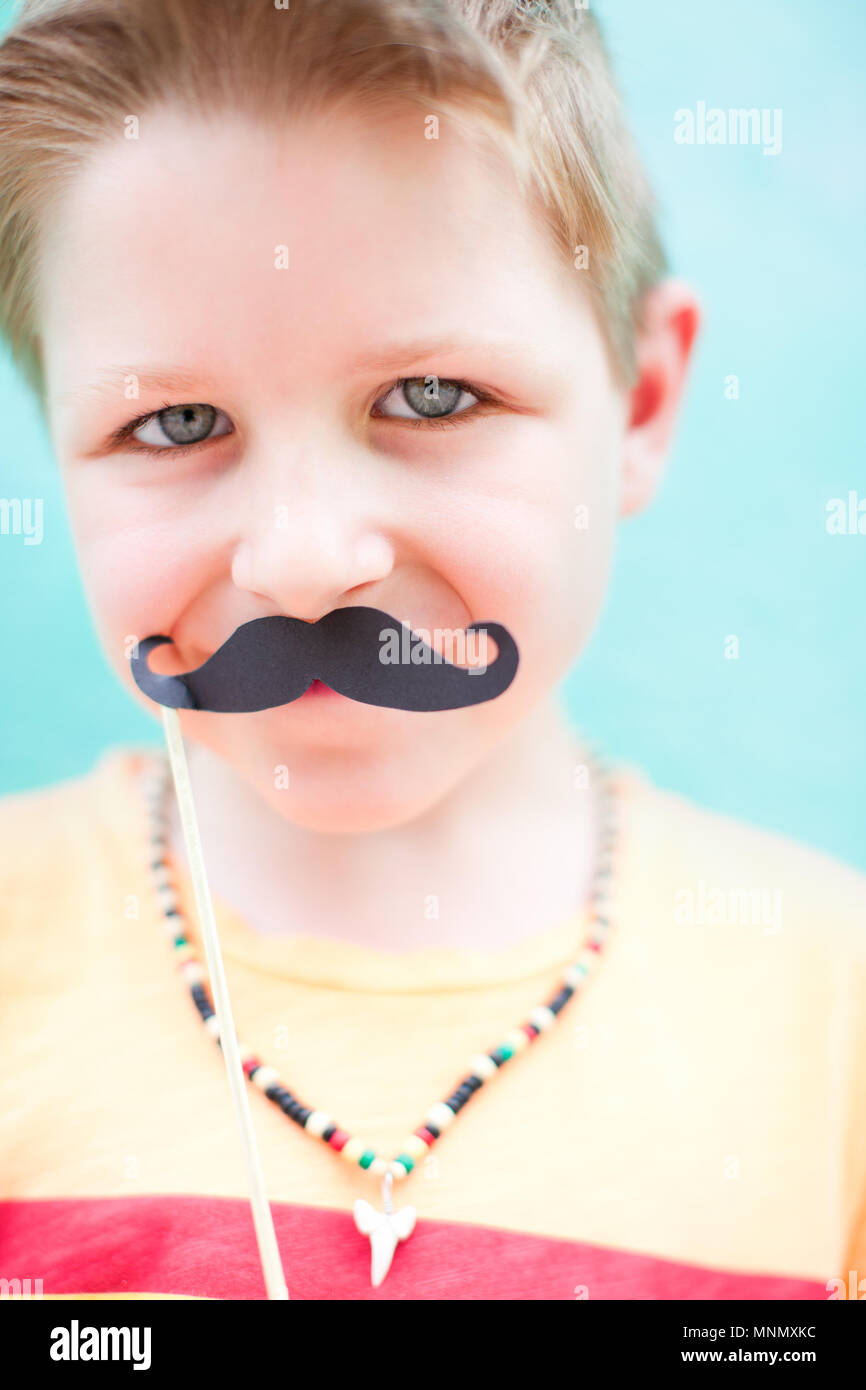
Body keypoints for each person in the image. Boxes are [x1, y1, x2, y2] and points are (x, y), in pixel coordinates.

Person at [0, 0, 863, 1301]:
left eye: (432, 397)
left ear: (637, 399)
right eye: (176, 421)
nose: (297, 559)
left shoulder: (832, 1024)